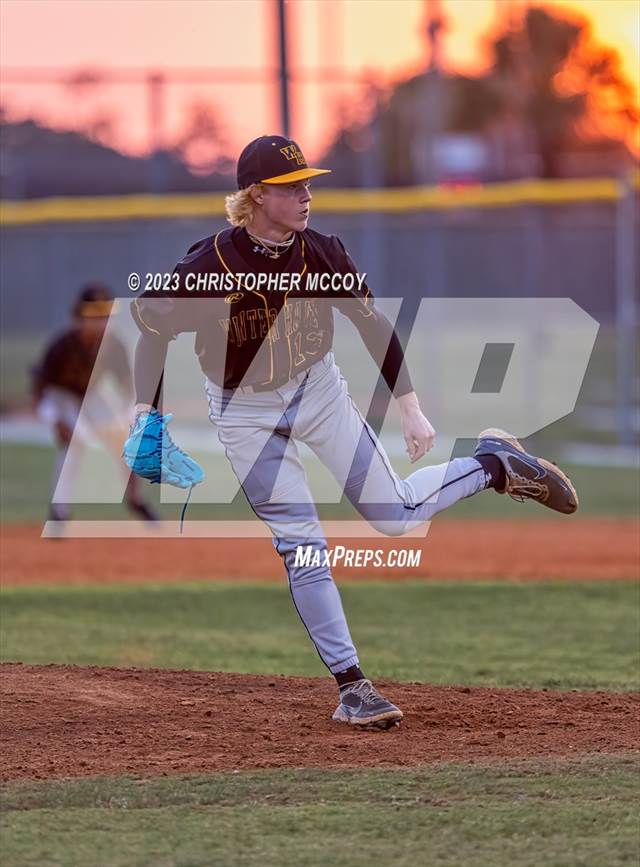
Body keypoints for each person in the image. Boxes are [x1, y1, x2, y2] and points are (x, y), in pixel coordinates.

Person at [124, 136, 578, 730]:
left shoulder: (322, 252)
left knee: (395, 515)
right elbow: (153, 331)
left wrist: (409, 406)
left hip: (318, 390)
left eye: (309, 183)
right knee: (302, 543)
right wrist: (145, 413)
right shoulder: (210, 264)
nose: (308, 195)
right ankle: (353, 685)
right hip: (243, 411)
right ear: (257, 195)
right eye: (293, 187)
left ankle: (494, 465)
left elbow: (371, 323)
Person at [32, 283, 158, 527]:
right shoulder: (62, 346)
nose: (101, 322)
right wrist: (54, 419)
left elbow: (126, 385)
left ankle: (135, 499)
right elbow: (41, 388)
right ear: (78, 317)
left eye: (105, 316)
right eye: (94, 316)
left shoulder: (114, 344)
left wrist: (134, 413)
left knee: (127, 439)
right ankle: (59, 510)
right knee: (75, 441)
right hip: (60, 395)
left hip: (91, 393)